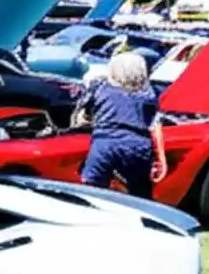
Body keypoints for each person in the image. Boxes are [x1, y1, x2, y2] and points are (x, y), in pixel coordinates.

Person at [71, 51, 167, 199]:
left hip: (105, 143)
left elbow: (83, 117)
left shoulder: (99, 87)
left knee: (91, 191)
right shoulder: (151, 94)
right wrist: (161, 158)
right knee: (140, 194)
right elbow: (156, 126)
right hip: (138, 146)